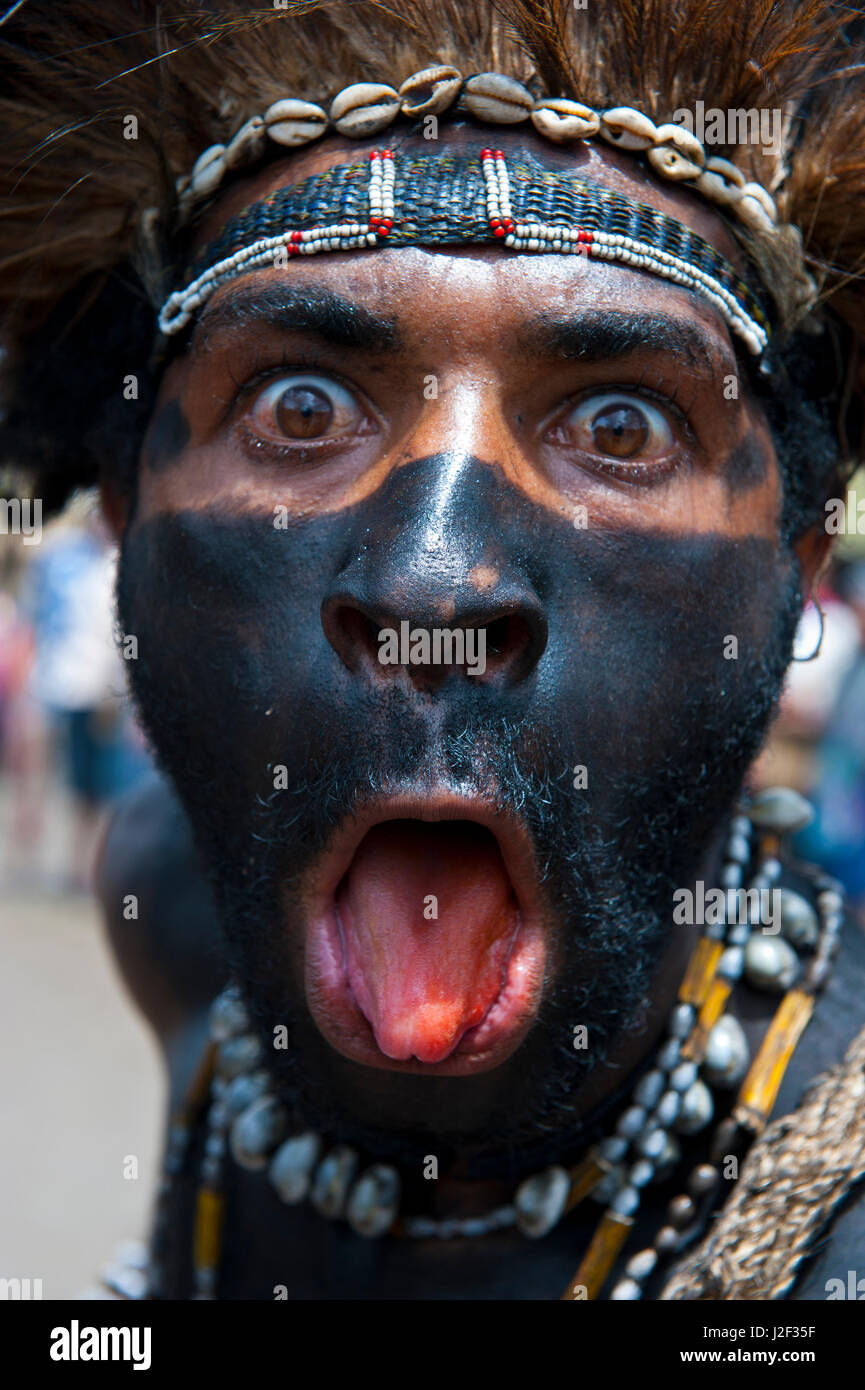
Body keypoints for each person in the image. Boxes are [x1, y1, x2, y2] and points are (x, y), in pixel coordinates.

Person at [1, 0, 864, 1301]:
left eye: (620, 427)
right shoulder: (175, 910)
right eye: (301, 407)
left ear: (788, 575)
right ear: (124, 525)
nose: (431, 578)